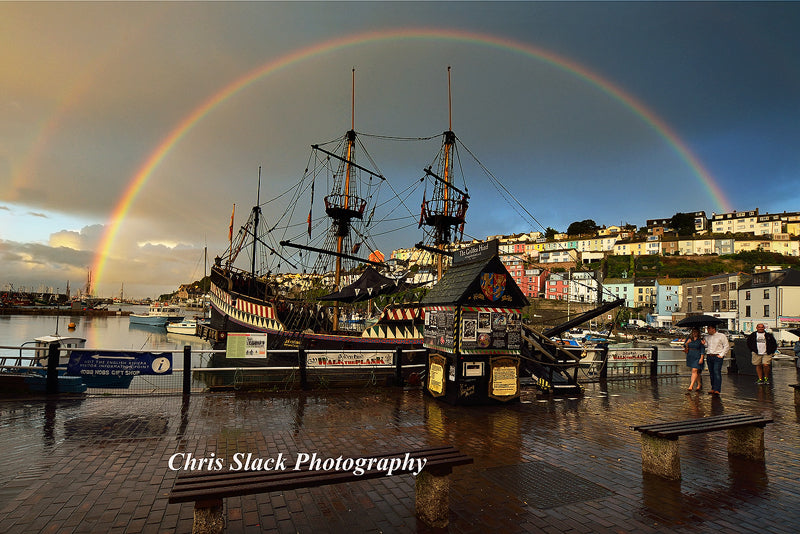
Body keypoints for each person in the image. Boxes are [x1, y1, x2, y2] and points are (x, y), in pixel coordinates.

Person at [704, 324, 730, 395]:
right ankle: (713, 388)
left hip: (717, 356)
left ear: (713, 329)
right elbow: (706, 345)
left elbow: (726, 346)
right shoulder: (707, 337)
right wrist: (703, 343)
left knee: (716, 372)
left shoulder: (721, 336)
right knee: (711, 373)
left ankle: (717, 389)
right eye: (707, 329)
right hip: (709, 355)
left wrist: (721, 355)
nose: (708, 330)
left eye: (709, 328)